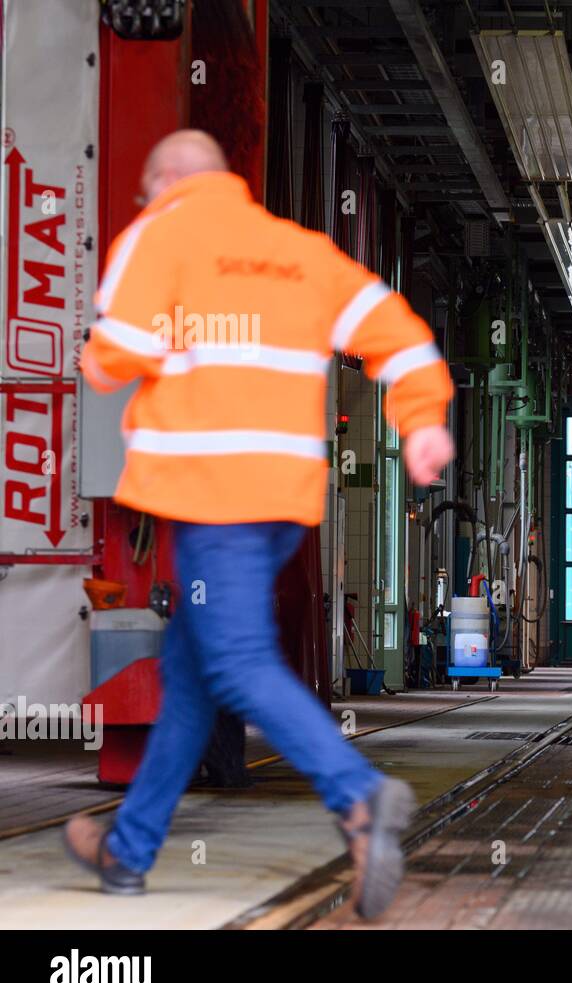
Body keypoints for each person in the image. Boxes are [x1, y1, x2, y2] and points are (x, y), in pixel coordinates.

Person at [64, 130, 455, 920]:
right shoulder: (299, 251)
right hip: (282, 504)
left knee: (237, 664)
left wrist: (100, 351)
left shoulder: (159, 234)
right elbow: (401, 337)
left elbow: (115, 356)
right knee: (189, 684)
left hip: (214, 501)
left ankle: (360, 796)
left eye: (146, 189)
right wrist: (421, 422)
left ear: (165, 180)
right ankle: (128, 851)